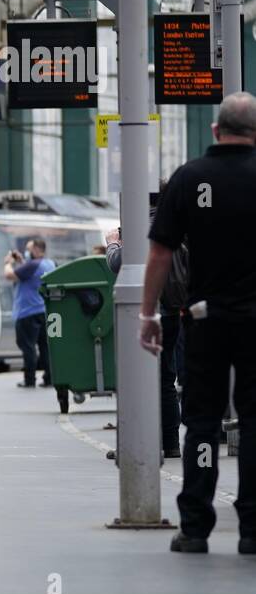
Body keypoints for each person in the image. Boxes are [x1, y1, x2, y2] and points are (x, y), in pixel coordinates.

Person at [140, 91, 256, 556]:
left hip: (204, 320)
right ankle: (251, 530)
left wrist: (148, 314)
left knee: (203, 422)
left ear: (215, 130)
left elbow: (159, 253)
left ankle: (195, 528)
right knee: (254, 421)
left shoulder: (189, 178)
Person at [106, 194, 190, 458]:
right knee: (166, 378)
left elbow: (120, 264)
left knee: (134, 378)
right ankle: (171, 443)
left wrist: (111, 245)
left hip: (146, 310)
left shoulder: (139, 224)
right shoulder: (178, 221)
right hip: (173, 310)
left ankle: (135, 444)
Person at [4, 238, 55, 388]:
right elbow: (30, 274)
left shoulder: (32, 264)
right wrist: (21, 262)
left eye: (29, 249)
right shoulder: (49, 264)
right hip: (44, 311)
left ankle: (30, 379)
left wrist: (8, 263)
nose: (27, 252)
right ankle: (49, 378)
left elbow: (9, 275)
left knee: (28, 347)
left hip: (27, 312)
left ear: (37, 250)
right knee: (45, 347)